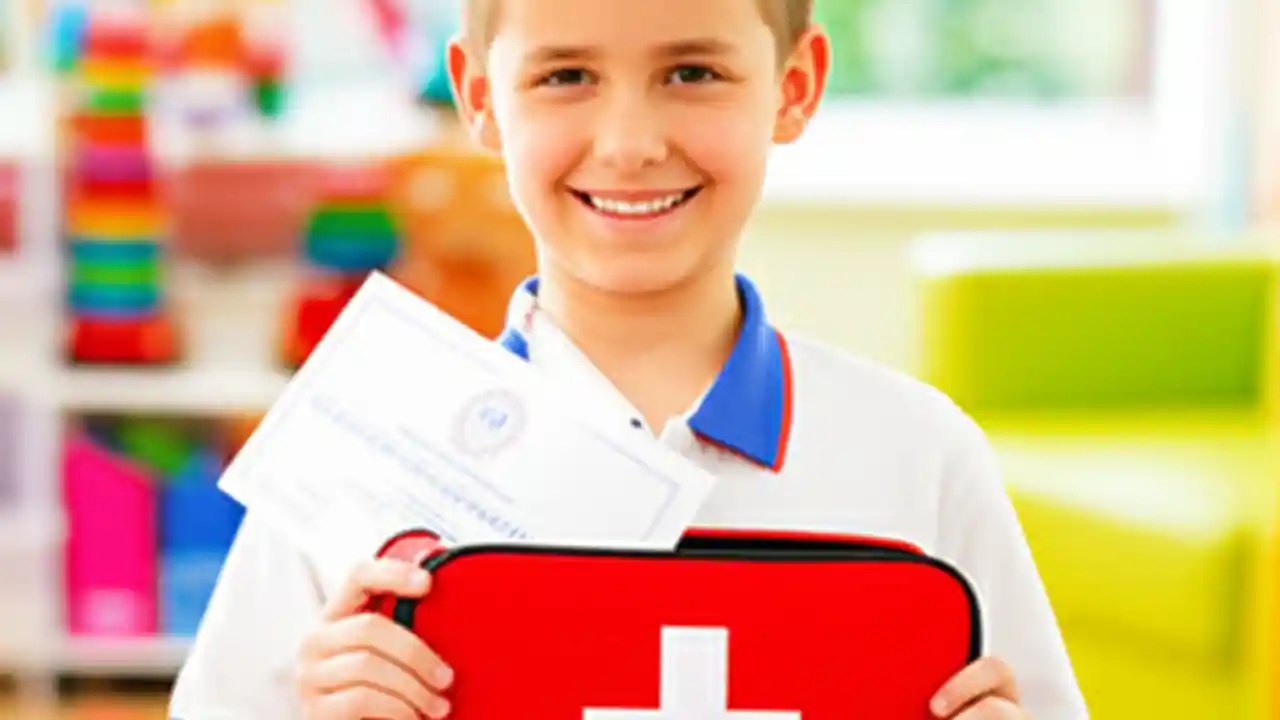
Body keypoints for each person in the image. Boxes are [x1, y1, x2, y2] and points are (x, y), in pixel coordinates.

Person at [170, 0, 1089, 718]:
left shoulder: (919, 452)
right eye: (566, 75)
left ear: (795, 85)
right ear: (480, 97)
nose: (629, 145)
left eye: (692, 71)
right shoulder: (369, 448)